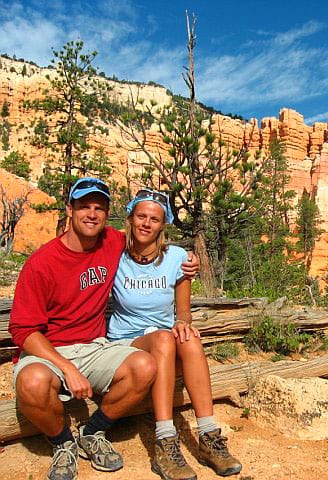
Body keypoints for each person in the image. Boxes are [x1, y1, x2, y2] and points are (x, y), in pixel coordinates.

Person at [8, 178, 198, 480]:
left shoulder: (111, 242)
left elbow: (149, 239)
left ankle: (92, 431)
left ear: (108, 214)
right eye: (84, 206)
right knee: (32, 382)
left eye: (99, 208)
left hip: (95, 346)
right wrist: (66, 367)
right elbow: (23, 330)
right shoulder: (41, 263)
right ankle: (63, 442)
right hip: (49, 350)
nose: (92, 214)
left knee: (144, 366)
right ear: (70, 210)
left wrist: (186, 261)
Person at [107, 188, 242, 479]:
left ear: (162, 225)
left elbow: (183, 311)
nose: (146, 223)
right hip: (127, 340)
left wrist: (183, 321)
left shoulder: (177, 257)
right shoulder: (114, 255)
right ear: (130, 219)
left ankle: (208, 436)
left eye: (154, 219)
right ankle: (165, 442)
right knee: (165, 338)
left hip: (164, 340)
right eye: (141, 216)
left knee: (189, 336)